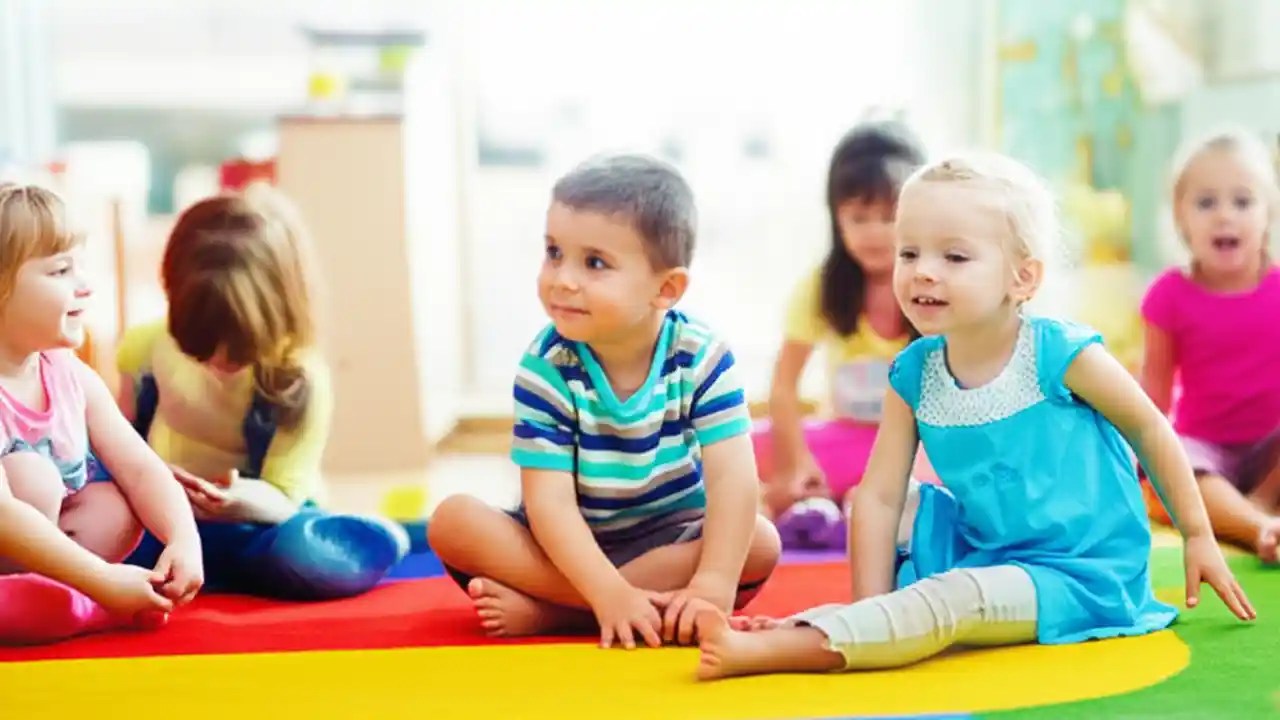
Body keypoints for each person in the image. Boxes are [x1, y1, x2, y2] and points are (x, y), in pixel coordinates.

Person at [690, 150, 1255, 680]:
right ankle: (854, 628)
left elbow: (1151, 426)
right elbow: (881, 497)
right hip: (985, 545)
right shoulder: (914, 373)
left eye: (954, 257)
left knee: (954, 599)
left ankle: (772, 649)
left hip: (1080, 574)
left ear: (1023, 278)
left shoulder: (1062, 354)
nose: (922, 272)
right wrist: (867, 608)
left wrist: (1198, 534)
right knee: (894, 505)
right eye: (908, 253)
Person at [429, 154, 780, 649]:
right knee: (453, 521)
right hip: (564, 546)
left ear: (666, 288)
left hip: (668, 537)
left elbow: (734, 478)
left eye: (594, 263)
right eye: (553, 252)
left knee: (760, 542)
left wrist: (713, 585)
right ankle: (599, 606)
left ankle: (552, 613)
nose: (563, 279)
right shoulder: (547, 365)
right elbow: (548, 503)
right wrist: (607, 591)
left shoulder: (701, 356)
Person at [117, 186, 408, 600]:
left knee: (306, 556)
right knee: (91, 537)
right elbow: (118, 445)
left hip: (263, 522)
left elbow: (285, 496)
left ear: (280, 312)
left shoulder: (297, 378)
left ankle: (378, 536)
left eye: (237, 347)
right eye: (200, 343)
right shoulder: (145, 348)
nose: (218, 360)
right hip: (167, 522)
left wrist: (232, 501)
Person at [0, 183, 202, 644]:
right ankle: (84, 605)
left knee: (114, 507)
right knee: (32, 477)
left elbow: (141, 468)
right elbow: (5, 514)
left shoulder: (70, 375)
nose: (84, 285)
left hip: (47, 559)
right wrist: (103, 582)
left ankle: (64, 600)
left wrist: (183, 539)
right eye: (61, 270)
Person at [756, 121, 927, 535]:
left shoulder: (932, 281)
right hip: (846, 442)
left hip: (921, 449)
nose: (874, 232)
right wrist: (796, 461)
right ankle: (820, 507)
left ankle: (876, 508)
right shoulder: (823, 286)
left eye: (890, 217)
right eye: (859, 217)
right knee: (739, 447)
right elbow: (783, 386)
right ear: (837, 218)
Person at [1139, 127, 1280, 563]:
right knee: (1176, 463)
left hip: (1271, 452)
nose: (1225, 216)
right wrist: (1138, 459)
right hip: (1205, 447)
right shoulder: (1168, 296)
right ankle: (1259, 527)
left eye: (1242, 201)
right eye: (1206, 203)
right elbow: (1153, 397)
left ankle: (1259, 503)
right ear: (1180, 218)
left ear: (1268, 214)